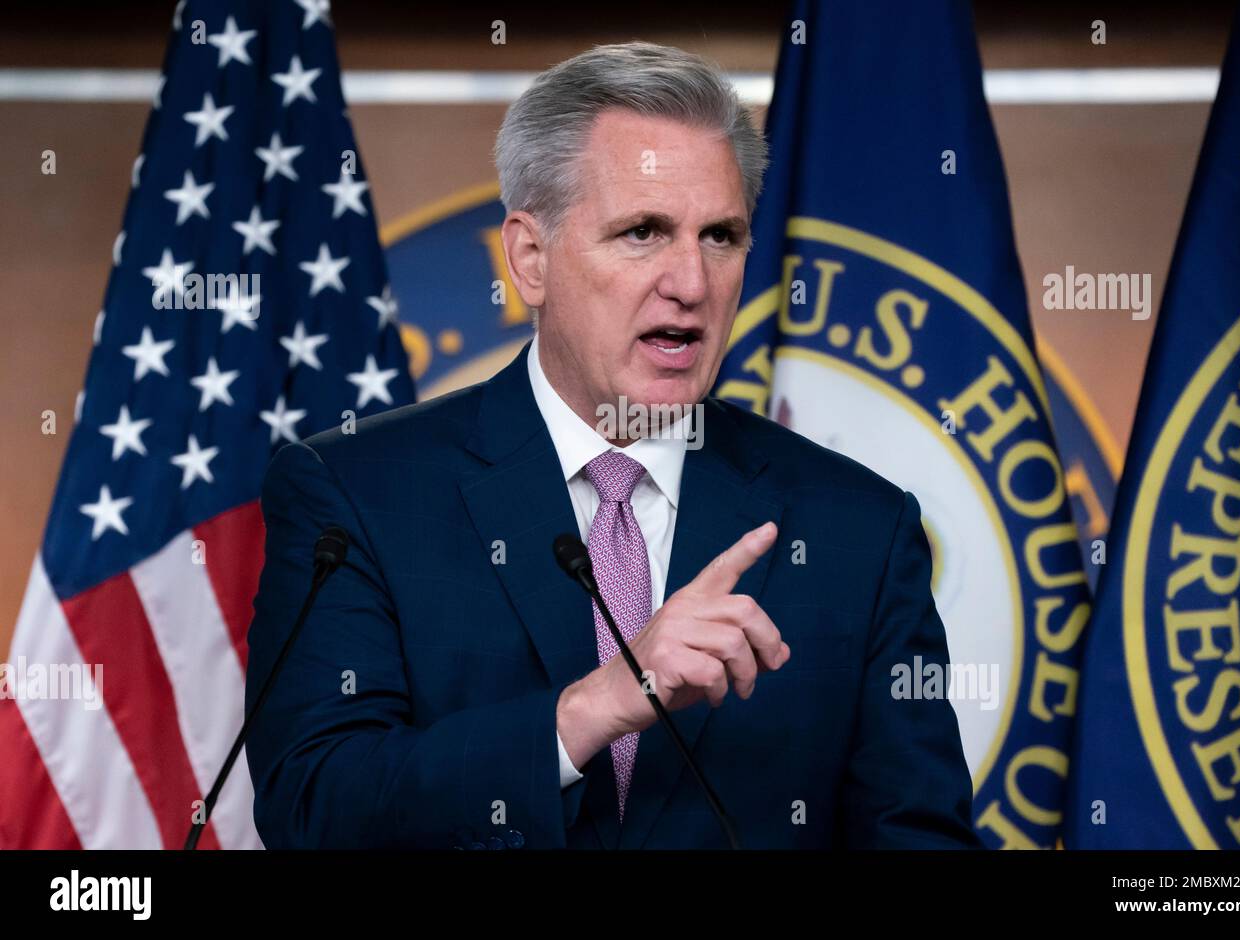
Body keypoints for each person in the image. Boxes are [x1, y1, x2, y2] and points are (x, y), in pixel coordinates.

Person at [244, 41, 981, 850]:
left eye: (722, 237)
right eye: (643, 232)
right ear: (530, 258)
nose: (691, 284)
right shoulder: (357, 495)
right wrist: (591, 709)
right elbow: (312, 808)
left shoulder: (857, 531)